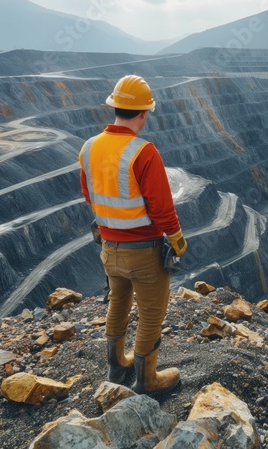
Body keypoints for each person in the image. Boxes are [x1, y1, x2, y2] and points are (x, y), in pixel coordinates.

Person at [78, 74, 187, 398]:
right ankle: (146, 380)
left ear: (114, 108)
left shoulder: (89, 147)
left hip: (109, 249)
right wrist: (178, 239)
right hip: (144, 252)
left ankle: (116, 366)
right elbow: (162, 208)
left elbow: (89, 195)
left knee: (118, 304)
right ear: (143, 113)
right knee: (151, 314)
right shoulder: (144, 152)